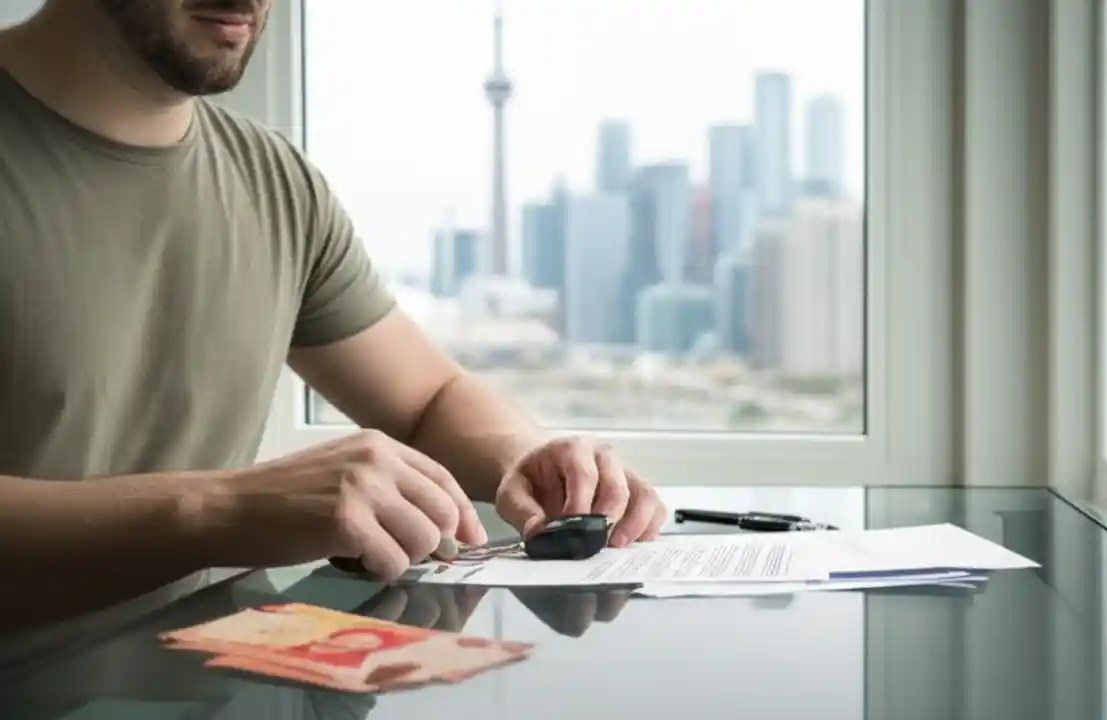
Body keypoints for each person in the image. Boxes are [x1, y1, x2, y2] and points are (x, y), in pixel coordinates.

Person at [0, 0, 666, 632]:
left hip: (215, 677)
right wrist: (223, 509)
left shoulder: (275, 181)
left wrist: (523, 454)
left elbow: (430, 398)